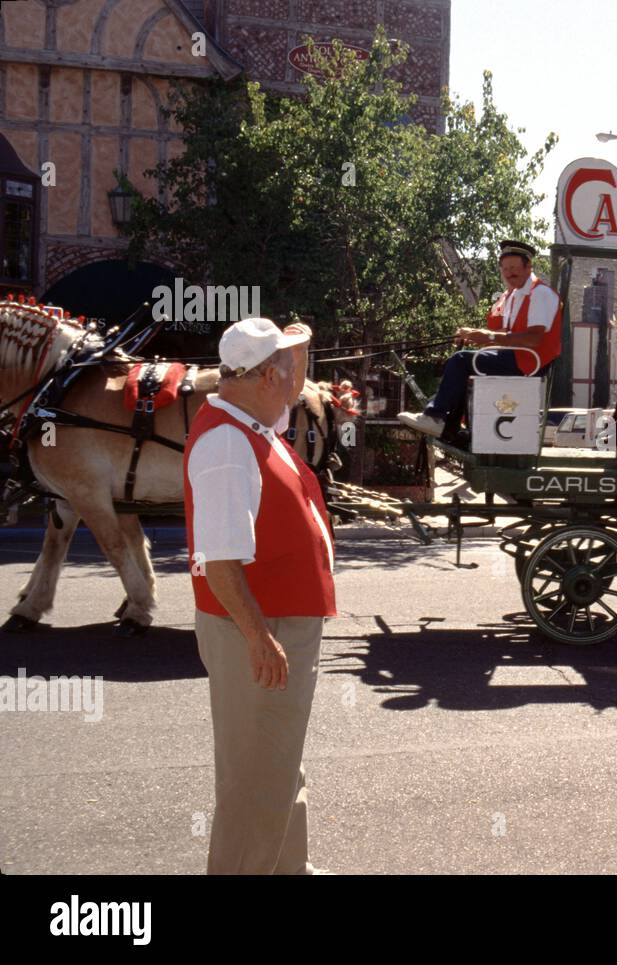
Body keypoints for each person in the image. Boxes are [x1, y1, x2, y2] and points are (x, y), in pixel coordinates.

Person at [184, 317, 336, 874]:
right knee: (255, 783)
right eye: (291, 373)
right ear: (268, 377)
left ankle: (289, 871)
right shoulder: (228, 441)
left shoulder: (247, 419)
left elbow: (286, 375)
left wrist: (298, 339)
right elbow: (219, 559)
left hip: (276, 621)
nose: (298, 385)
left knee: (279, 767)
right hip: (259, 626)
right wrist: (259, 637)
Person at [398, 240, 561, 439]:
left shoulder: (540, 294)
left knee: (461, 361)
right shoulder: (515, 295)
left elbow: (533, 338)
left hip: (530, 361)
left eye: (515, 268)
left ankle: (436, 417)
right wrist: (476, 336)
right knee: (461, 359)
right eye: (506, 269)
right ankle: (448, 426)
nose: (510, 273)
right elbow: (508, 332)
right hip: (517, 356)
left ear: (528, 267)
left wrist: (488, 337)